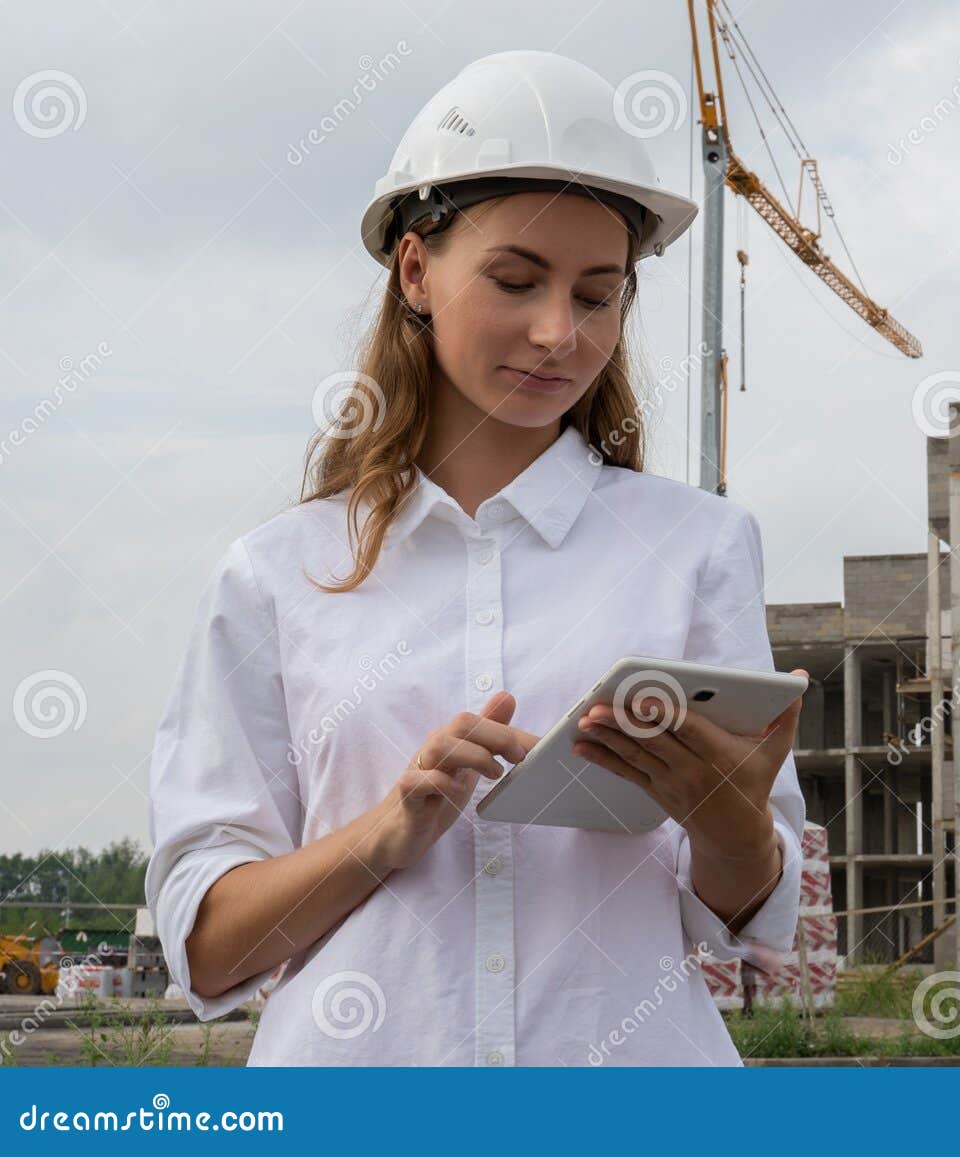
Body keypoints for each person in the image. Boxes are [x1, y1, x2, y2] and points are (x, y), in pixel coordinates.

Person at [143, 50, 807, 1066]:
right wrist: (384, 832)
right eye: (515, 279)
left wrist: (730, 826)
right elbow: (209, 945)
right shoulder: (273, 576)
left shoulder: (701, 544)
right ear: (414, 268)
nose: (559, 332)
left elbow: (750, 917)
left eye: (598, 293)